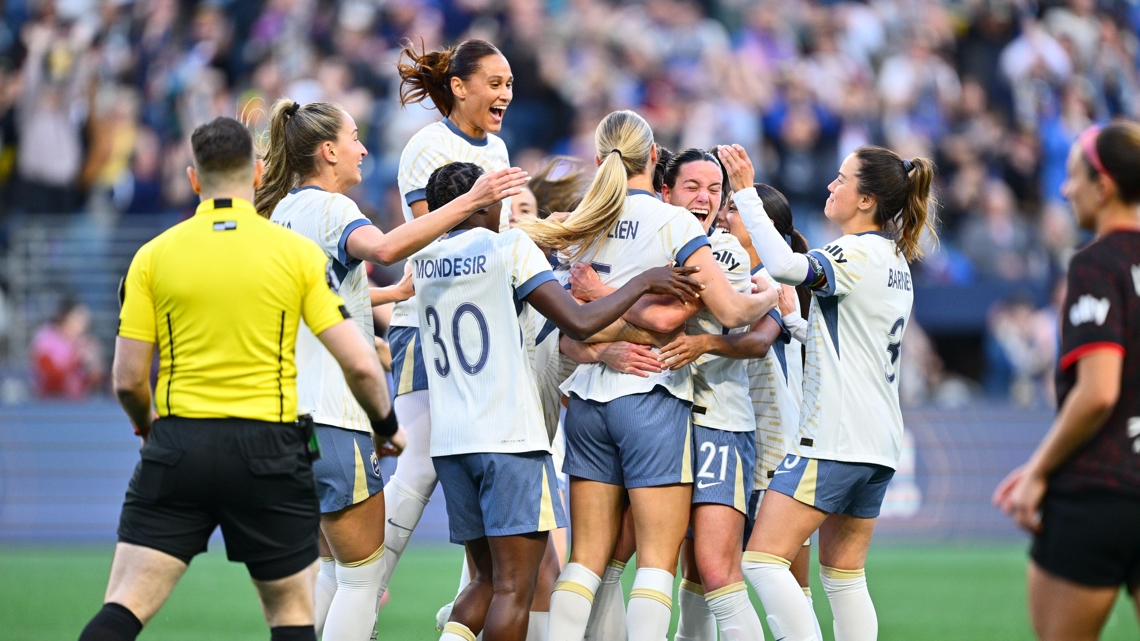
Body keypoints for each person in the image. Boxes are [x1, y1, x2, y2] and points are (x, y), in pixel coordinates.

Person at [77, 116, 399, 641]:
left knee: (123, 607)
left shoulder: (152, 256)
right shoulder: (291, 252)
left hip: (180, 442)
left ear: (193, 179)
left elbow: (128, 379)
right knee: (294, 613)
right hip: (268, 446)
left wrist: (147, 428)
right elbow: (358, 361)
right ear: (256, 174)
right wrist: (387, 425)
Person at [254, 97, 525, 641]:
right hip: (333, 413)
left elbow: (322, 295)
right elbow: (381, 247)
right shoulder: (332, 209)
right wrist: (470, 201)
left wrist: (387, 295)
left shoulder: (283, 213)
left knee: (331, 567)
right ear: (328, 151)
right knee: (361, 576)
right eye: (354, 138)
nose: (363, 149)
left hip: (289, 418)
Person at [412, 161, 702, 641]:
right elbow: (578, 322)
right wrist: (643, 282)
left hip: (450, 441)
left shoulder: (423, 260)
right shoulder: (508, 247)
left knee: (485, 580)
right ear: (485, 201)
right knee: (515, 589)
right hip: (508, 439)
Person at [519, 110, 778, 641]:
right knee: (657, 562)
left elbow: (571, 328)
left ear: (600, 160)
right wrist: (772, 295)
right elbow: (727, 312)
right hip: (653, 394)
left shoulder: (584, 223)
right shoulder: (674, 223)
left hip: (587, 400)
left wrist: (602, 325)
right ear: (655, 158)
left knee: (585, 559)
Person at [718, 142, 936, 641]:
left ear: (866, 200)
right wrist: (796, 322)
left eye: (842, 179)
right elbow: (851, 342)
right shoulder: (894, 260)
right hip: (879, 442)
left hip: (835, 438)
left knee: (762, 560)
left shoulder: (852, 252)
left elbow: (785, 266)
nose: (831, 186)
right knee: (844, 575)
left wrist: (746, 193)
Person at [381, 40, 519, 607]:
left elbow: (499, 239)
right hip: (427, 323)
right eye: (495, 83)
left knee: (482, 464)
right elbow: (435, 240)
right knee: (420, 467)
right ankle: (359, 583)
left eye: (509, 85)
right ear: (459, 87)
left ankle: (466, 612)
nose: (505, 95)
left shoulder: (499, 147)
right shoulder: (427, 146)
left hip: (482, 327)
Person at [994, 121, 1140, 641]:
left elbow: (1098, 392)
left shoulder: (1097, 263)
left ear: (1103, 187)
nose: (1064, 188)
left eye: (1074, 175)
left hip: (1102, 491)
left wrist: (1039, 470)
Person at [30, 298, 104, 399]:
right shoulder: (45, 339)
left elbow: (94, 382)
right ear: (66, 317)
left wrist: (93, 366)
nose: (84, 325)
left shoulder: (83, 342)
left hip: (77, 403)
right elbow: (50, 380)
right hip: (49, 402)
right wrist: (76, 357)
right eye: (79, 319)